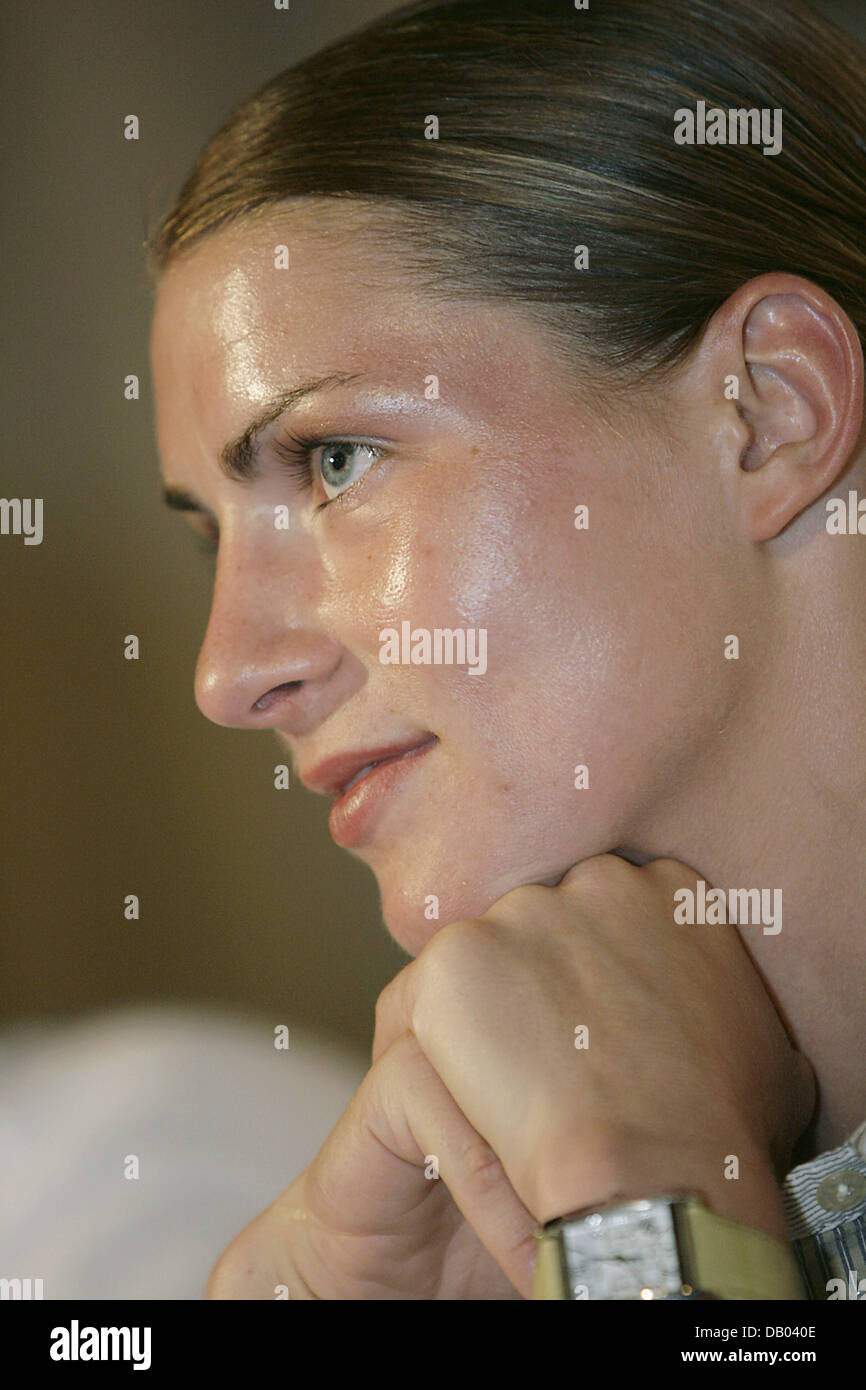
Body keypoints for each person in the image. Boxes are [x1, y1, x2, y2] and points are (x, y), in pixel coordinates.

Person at [145, 0, 866, 1299]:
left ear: (766, 407)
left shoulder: (613, 1174)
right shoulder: (441, 1215)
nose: (227, 675)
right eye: (212, 540)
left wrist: (640, 1202)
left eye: (334, 462)